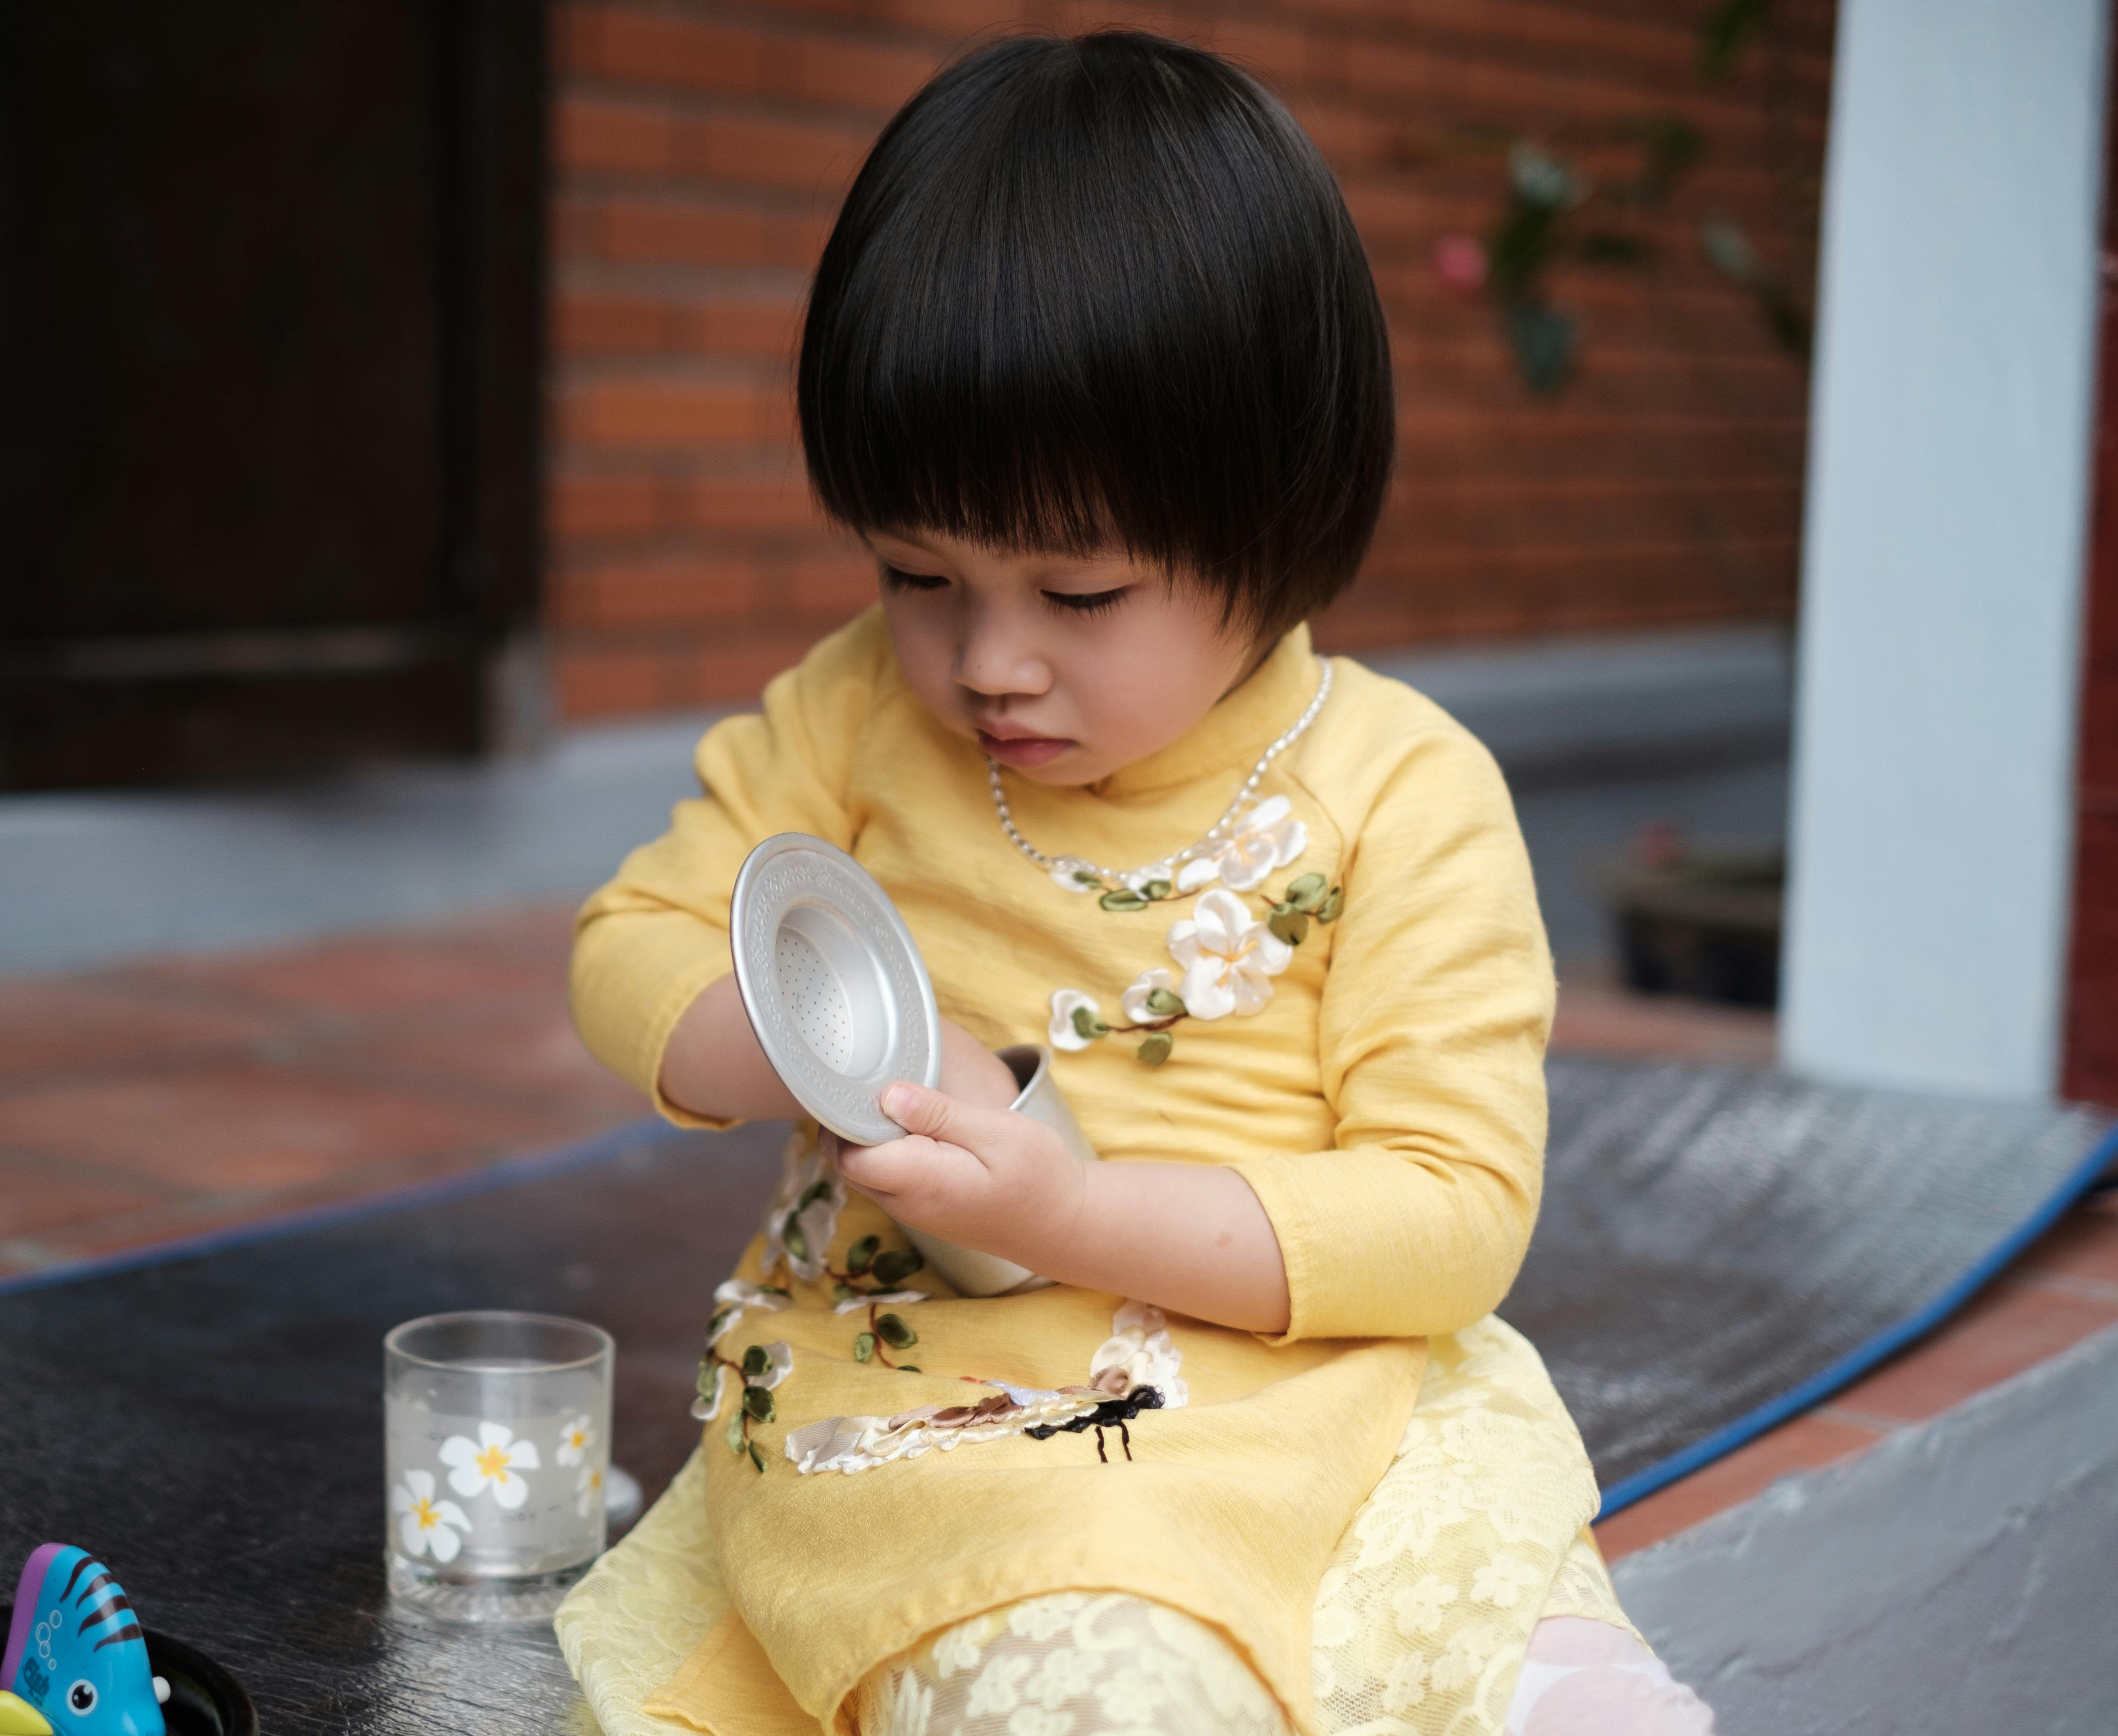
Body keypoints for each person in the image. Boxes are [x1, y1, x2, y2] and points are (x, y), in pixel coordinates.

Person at [557, 31, 1715, 1736]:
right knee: (1097, 1672)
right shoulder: (858, 719)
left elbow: (1452, 1209)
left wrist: (1071, 1215)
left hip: (1321, 1381)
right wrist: (821, 1040)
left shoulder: (1397, 789)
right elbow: (631, 949)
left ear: (1278, 519)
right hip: (961, 1413)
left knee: (1536, 1681)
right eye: (917, 572)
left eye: (1080, 594)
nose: (989, 662)